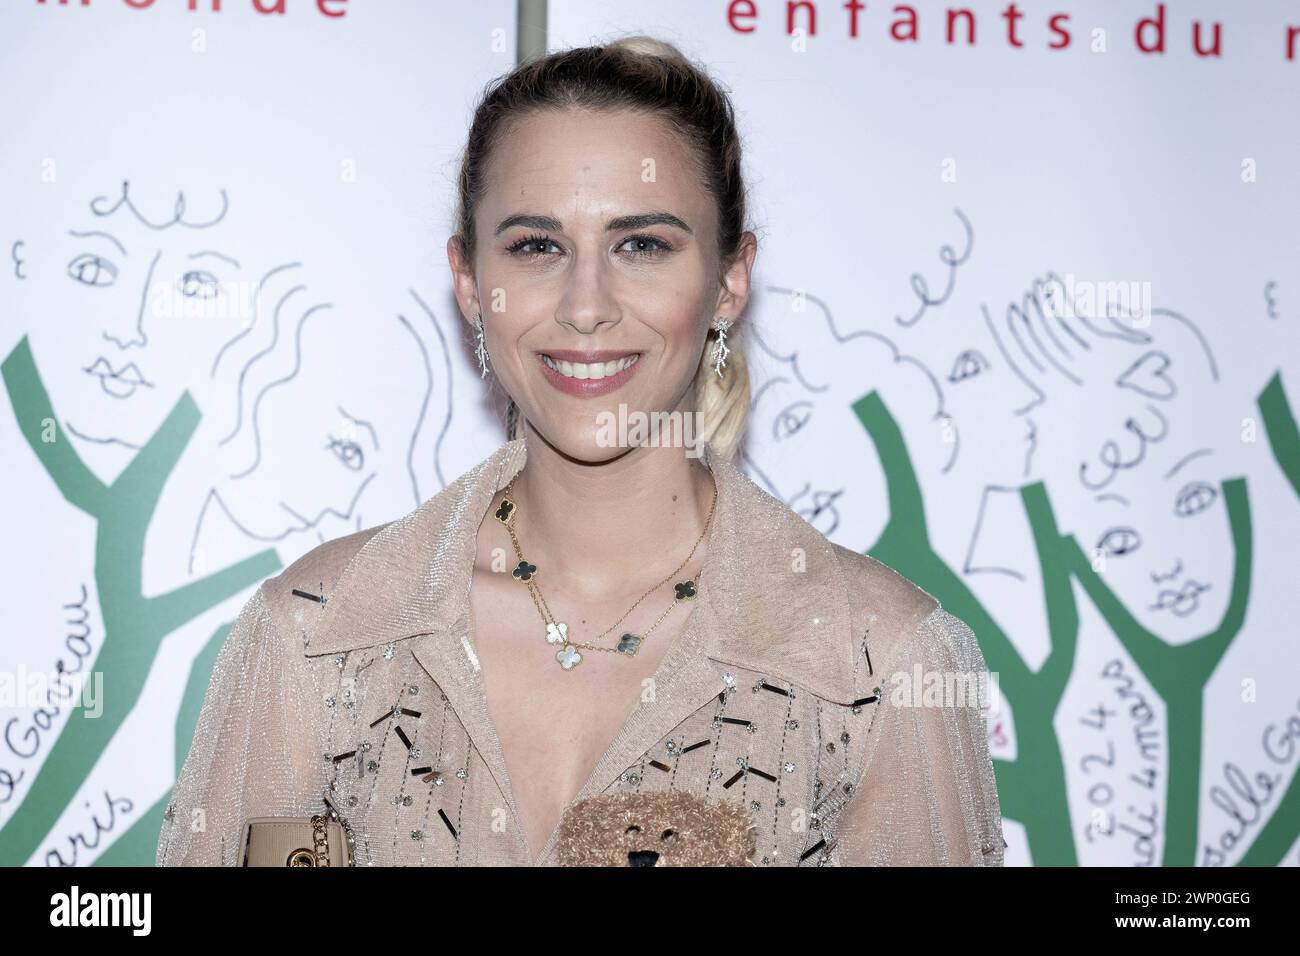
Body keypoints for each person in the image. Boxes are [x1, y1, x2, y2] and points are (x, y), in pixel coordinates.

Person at [156, 35, 1005, 867]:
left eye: (643, 245)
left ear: (730, 280)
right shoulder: (315, 641)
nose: (586, 305)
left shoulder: (877, 665)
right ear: (467, 282)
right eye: (537, 246)